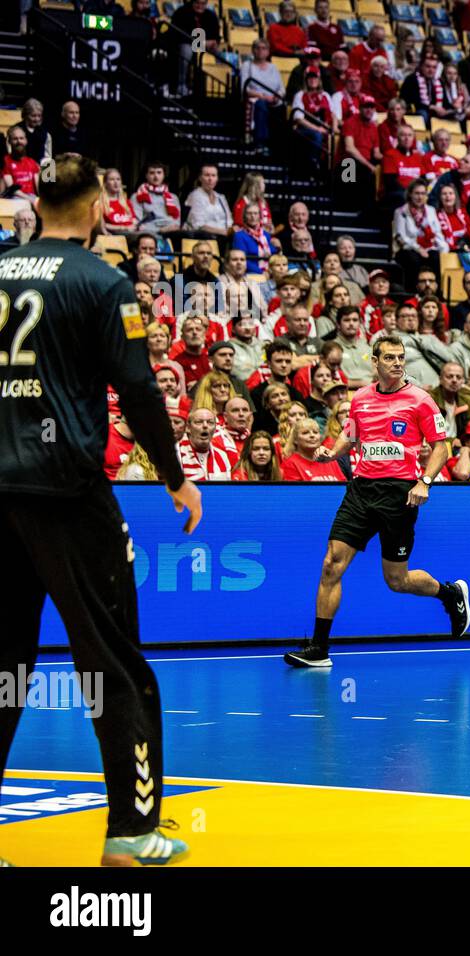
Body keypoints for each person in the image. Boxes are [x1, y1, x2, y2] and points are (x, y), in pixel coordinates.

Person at [0, 154, 202, 866]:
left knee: (5, 668)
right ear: (95, 212)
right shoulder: (101, 281)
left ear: (35, 204)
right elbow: (140, 391)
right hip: (66, 492)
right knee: (114, 662)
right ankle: (130, 831)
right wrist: (176, 478)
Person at [286, 334, 470, 667]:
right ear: (374, 362)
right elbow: (351, 434)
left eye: (401, 358)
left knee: (397, 580)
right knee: (331, 564)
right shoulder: (360, 398)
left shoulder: (421, 400)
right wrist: (333, 452)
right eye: (389, 358)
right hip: (361, 490)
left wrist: (425, 482)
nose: (398, 363)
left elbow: (441, 447)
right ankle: (319, 649)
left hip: (399, 494)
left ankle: (449, 593)